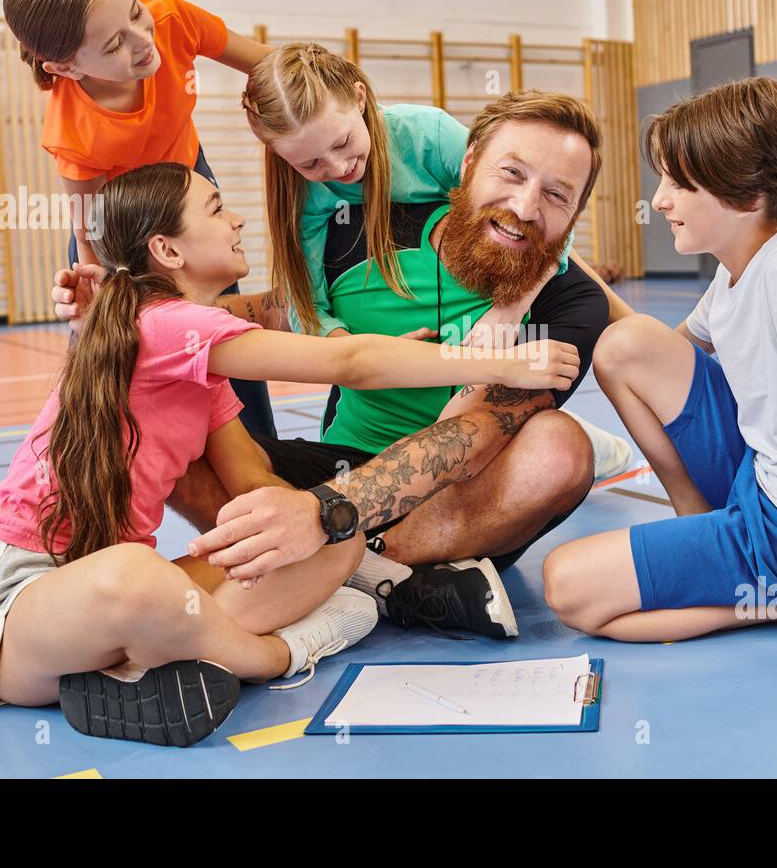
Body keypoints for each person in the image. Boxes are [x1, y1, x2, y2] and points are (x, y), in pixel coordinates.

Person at [0, 162, 580, 746]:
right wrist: (501, 359)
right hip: (25, 616)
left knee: (332, 537)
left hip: (118, 625)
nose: (235, 220)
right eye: (216, 208)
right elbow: (349, 362)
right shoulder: (165, 324)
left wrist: (309, 543)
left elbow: (253, 480)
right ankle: (272, 657)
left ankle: (146, 669)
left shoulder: (199, 375)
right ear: (168, 252)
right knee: (136, 573)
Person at [183, 90, 615, 639]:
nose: (525, 208)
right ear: (468, 159)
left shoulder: (570, 302)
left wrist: (324, 516)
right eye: (511, 173)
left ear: (574, 215)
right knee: (174, 427)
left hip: (453, 509)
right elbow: (267, 311)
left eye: (556, 195)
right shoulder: (357, 226)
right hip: (339, 465)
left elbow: (473, 432)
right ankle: (388, 584)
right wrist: (127, 303)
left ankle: (342, 565)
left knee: (560, 448)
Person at [541, 78, 777, 688]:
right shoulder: (741, 268)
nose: (660, 200)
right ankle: (712, 535)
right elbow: (652, 349)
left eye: (678, 184)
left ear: (745, 196)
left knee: (568, 590)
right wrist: (559, 254)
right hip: (760, 479)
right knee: (624, 346)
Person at [2, 0, 278, 436]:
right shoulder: (72, 129)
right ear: (65, 68)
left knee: (224, 327)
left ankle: (260, 452)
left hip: (187, 181)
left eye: (135, 12)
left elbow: (269, 67)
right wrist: (98, 289)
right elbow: (89, 225)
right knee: (106, 354)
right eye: (112, 46)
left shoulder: (173, 21)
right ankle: (94, 449)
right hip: (117, 221)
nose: (142, 41)